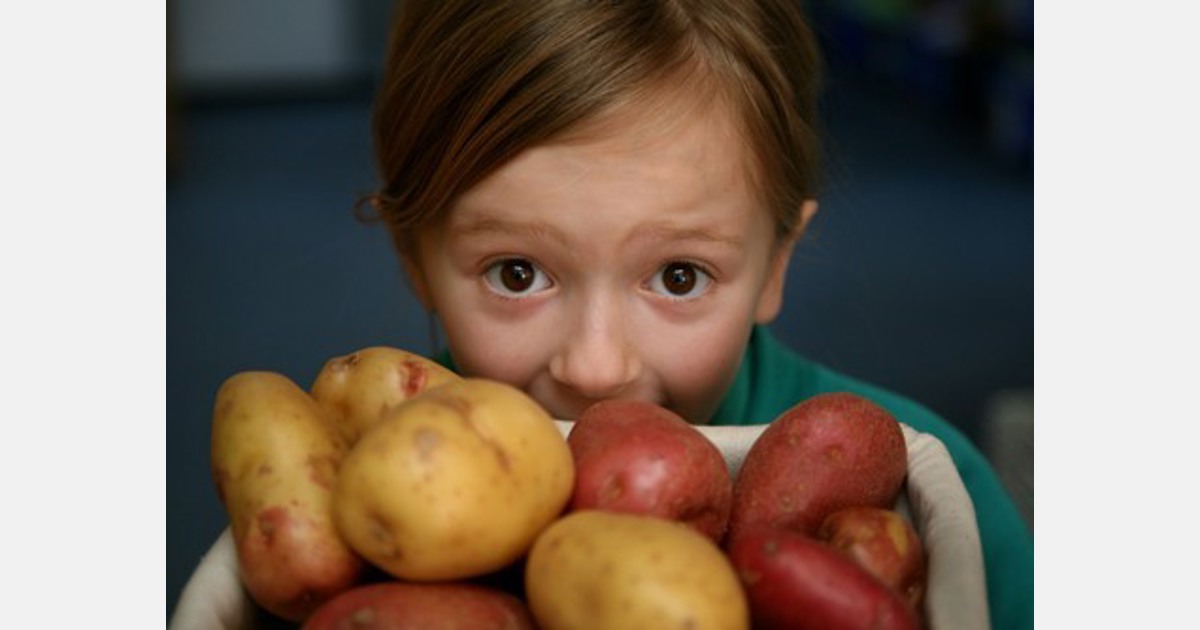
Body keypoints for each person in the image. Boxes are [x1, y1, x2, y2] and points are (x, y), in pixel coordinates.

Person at [356, 1, 1033, 628]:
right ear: (414, 259)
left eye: (679, 277)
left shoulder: (945, 494)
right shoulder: (359, 493)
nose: (595, 369)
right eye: (516, 273)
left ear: (775, 265)